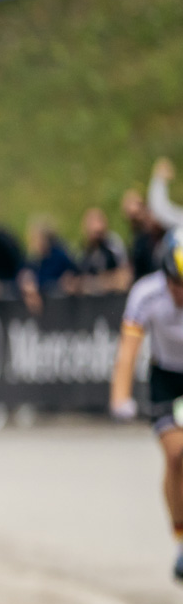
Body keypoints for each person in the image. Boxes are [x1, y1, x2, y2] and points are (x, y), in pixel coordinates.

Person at [110, 232, 183, 580]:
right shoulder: (146, 294)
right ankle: (182, 537)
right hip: (166, 378)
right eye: (176, 285)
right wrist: (120, 397)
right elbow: (127, 352)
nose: (182, 294)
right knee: (176, 455)